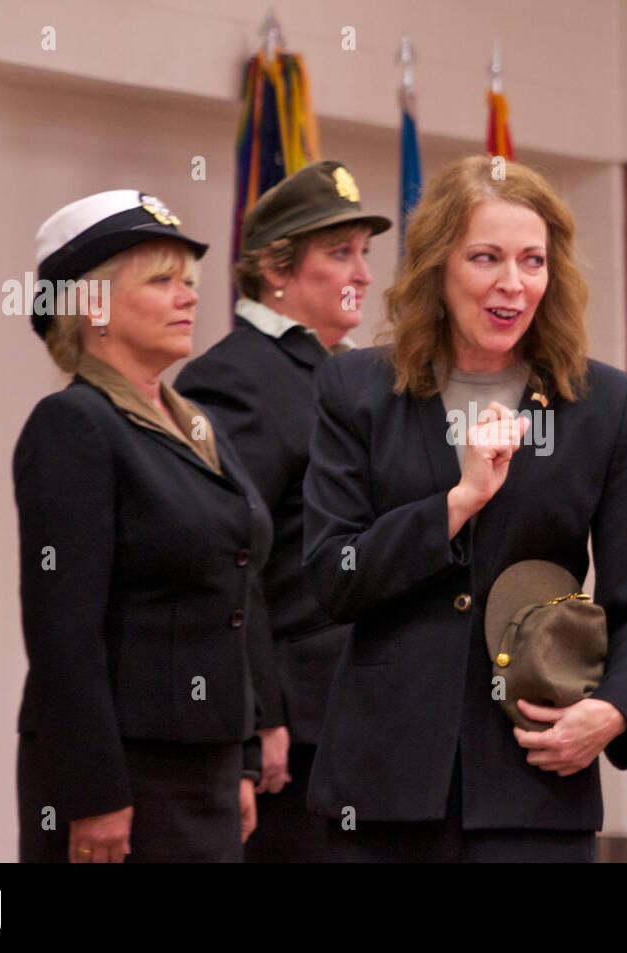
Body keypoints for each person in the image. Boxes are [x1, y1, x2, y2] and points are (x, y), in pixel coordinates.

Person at [301, 155, 627, 861]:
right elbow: (332, 576)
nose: (513, 282)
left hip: (535, 783)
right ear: (438, 265)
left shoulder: (607, 405)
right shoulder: (356, 391)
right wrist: (457, 502)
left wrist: (614, 706)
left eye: (533, 260)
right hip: (384, 788)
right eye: (486, 257)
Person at [13, 190, 273, 862]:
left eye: (188, 281)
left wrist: (242, 755)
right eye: (162, 281)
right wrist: (95, 793)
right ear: (92, 306)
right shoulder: (74, 425)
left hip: (207, 766)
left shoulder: (194, 425)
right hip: (126, 774)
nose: (188, 297)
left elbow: (234, 593)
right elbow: (62, 631)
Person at [176, 161, 391, 861]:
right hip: (298, 725)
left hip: (366, 706)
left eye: (364, 252)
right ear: (275, 268)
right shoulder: (235, 376)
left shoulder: (354, 374)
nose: (361, 271)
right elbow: (235, 562)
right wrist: (259, 716)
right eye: (339, 253)